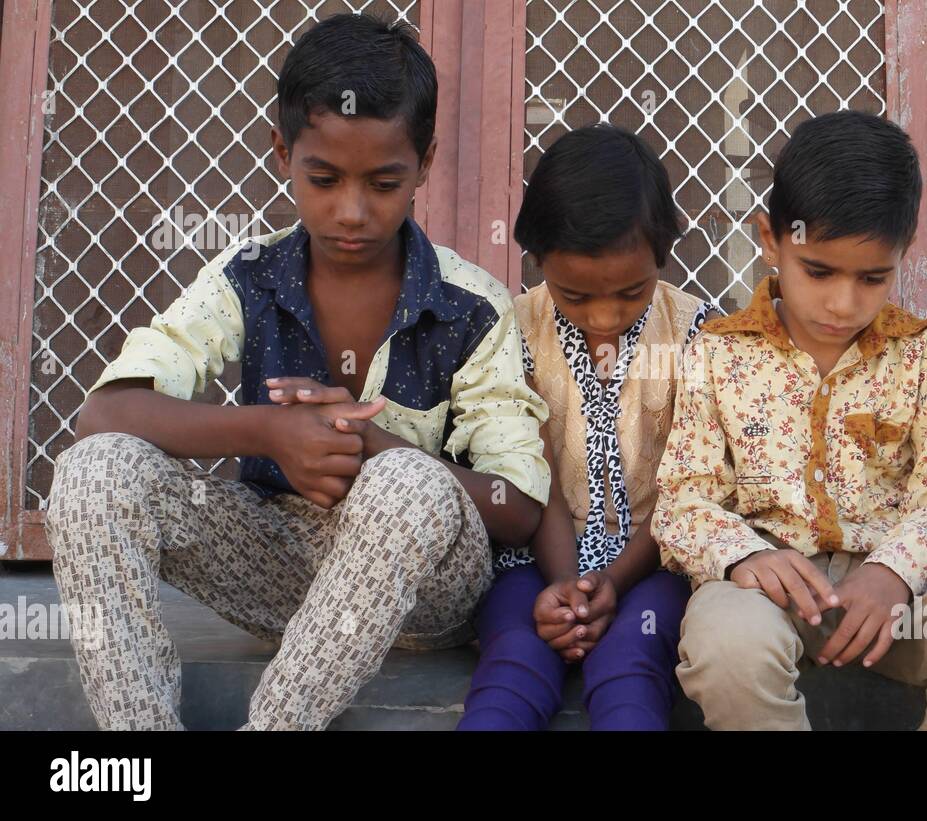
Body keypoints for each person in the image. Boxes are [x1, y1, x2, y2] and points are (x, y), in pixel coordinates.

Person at [44, 12, 549, 730]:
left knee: (408, 484)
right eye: (323, 177)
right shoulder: (247, 278)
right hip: (275, 569)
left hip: (422, 594)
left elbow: (518, 505)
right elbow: (103, 414)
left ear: (426, 164)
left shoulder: (471, 308)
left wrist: (369, 443)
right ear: (281, 152)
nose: (351, 210)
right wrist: (271, 431)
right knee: (94, 470)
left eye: (382, 182)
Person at [654, 111, 927, 730]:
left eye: (873, 277)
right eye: (818, 271)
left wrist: (893, 571)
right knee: (725, 645)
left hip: (903, 602)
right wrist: (742, 559)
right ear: (771, 239)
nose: (844, 303)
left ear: (903, 256)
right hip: (767, 597)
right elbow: (683, 501)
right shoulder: (717, 352)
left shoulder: (924, 355)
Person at [459, 124, 718, 730]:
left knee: (631, 660)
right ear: (536, 259)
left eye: (630, 294)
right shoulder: (511, 331)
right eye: (574, 295)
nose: (604, 318)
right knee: (515, 657)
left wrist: (612, 580)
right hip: (529, 562)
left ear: (664, 255)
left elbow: (692, 488)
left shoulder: (700, 336)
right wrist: (568, 586)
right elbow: (529, 466)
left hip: (656, 565)